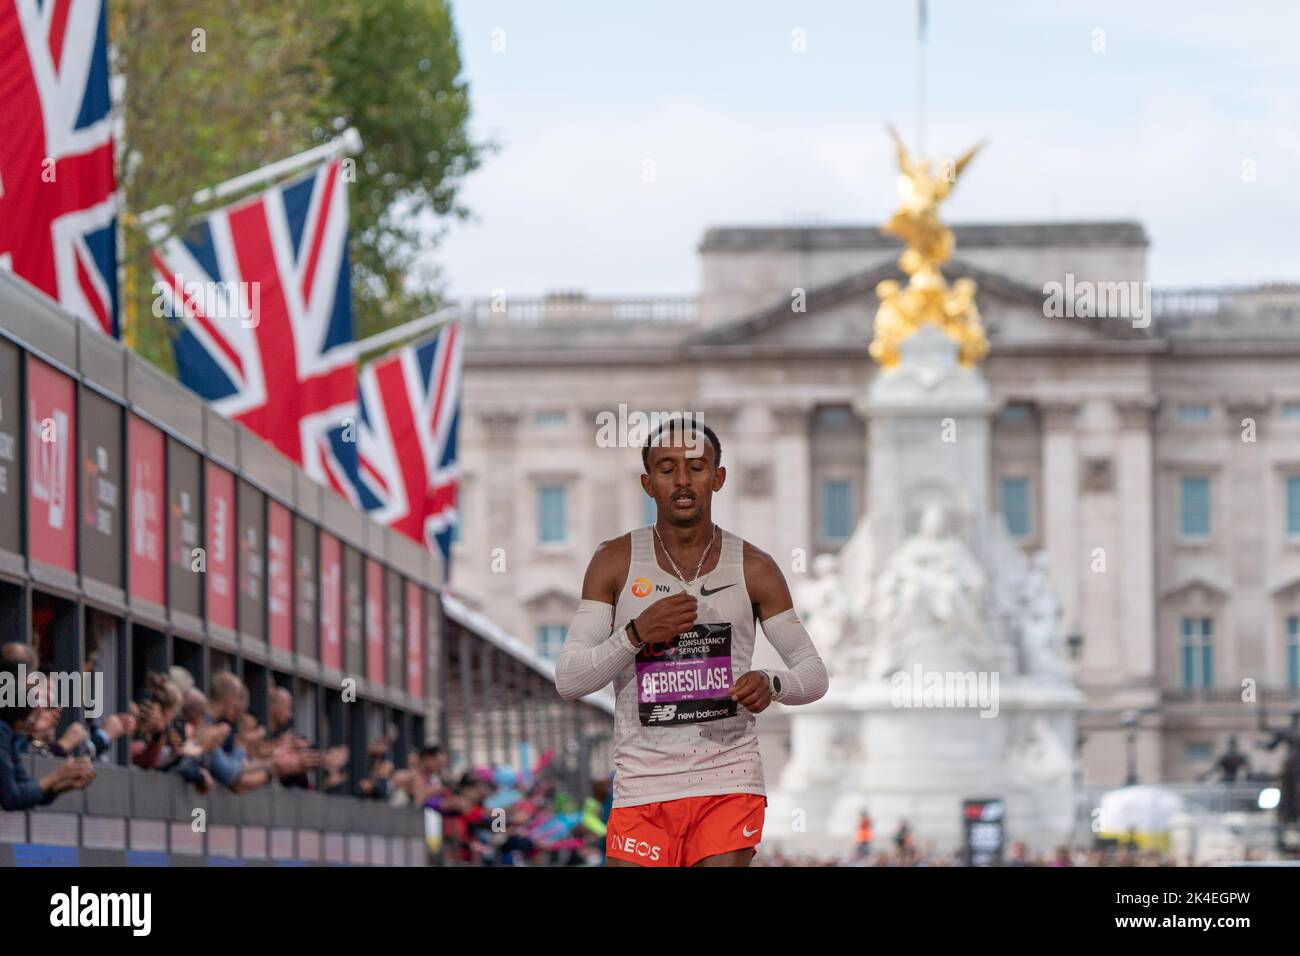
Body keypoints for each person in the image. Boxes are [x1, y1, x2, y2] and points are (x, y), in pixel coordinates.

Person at [555, 417, 829, 867]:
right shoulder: (614, 561)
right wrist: (636, 634)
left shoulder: (755, 567)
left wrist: (773, 683)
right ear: (647, 483)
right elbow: (569, 679)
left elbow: (813, 673)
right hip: (642, 782)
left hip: (728, 778)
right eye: (667, 468)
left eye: (697, 467)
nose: (683, 480)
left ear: (718, 477)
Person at [0, 659, 95, 810]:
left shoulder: (12, 734)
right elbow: (11, 798)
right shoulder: (4, 731)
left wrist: (63, 783)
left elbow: (25, 788)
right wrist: (56, 776)